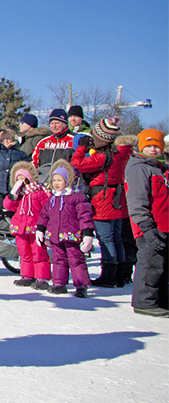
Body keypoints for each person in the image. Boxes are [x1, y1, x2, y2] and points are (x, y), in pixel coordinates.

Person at [71, 117, 133, 289]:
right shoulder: (121, 153)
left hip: (103, 200)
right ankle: (121, 275)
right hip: (118, 199)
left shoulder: (102, 156)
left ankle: (108, 276)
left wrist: (82, 147)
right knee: (117, 238)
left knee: (106, 239)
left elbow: (77, 164)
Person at [35, 161, 96, 298]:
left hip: (71, 235)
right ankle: (59, 283)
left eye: (60, 180)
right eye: (54, 180)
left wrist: (87, 234)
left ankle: (81, 285)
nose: (56, 183)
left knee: (76, 260)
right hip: (55, 235)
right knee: (58, 259)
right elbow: (44, 215)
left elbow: (85, 217)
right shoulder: (52, 199)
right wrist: (40, 229)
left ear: (68, 181)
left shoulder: (76, 198)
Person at [124, 129, 168, 316]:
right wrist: (146, 227)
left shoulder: (159, 168)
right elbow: (137, 201)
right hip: (148, 227)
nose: (152, 149)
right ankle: (144, 301)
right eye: (148, 145)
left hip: (163, 226)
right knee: (150, 263)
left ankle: (161, 299)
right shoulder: (138, 168)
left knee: (162, 265)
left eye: (156, 146)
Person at [5, 161, 52, 289]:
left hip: (35, 227)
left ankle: (42, 277)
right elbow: (8, 206)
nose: (21, 181)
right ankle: (27, 275)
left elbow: (47, 208)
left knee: (38, 252)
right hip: (20, 227)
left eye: (23, 179)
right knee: (24, 252)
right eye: (18, 179)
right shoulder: (18, 196)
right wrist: (13, 194)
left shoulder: (39, 192)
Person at [0, 127, 30, 214]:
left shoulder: (21, 154)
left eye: (9, 138)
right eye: (4, 139)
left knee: (11, 216)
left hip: (14, 190)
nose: (6, 141)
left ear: (14, 139)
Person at [32, 108, 77, 183]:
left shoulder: (73, 140)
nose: (54, 126)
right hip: (45, 183)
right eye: (52, 123)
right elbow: (34, 163)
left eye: (57, 123)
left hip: (66, 183)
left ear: (65, 123)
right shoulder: (43, 142)